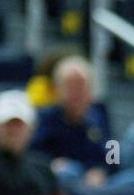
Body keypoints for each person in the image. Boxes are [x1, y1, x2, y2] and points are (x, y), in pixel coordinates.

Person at [0, 90, 125, 195]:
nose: (14, 130)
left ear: (31, 128)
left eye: (19, 125)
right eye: (7, 124)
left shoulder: (41, 163)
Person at [31, 56, 117, 187]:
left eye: (81, 86)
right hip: (63, 185)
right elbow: (32, 156)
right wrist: (51, 164)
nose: (76, 93)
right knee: (68, 172)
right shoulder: (44, 118)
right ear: (57, 90)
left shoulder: (99, 114)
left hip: (98, 183)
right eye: (70, 87)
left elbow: (113, 149)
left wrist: (102, 171)